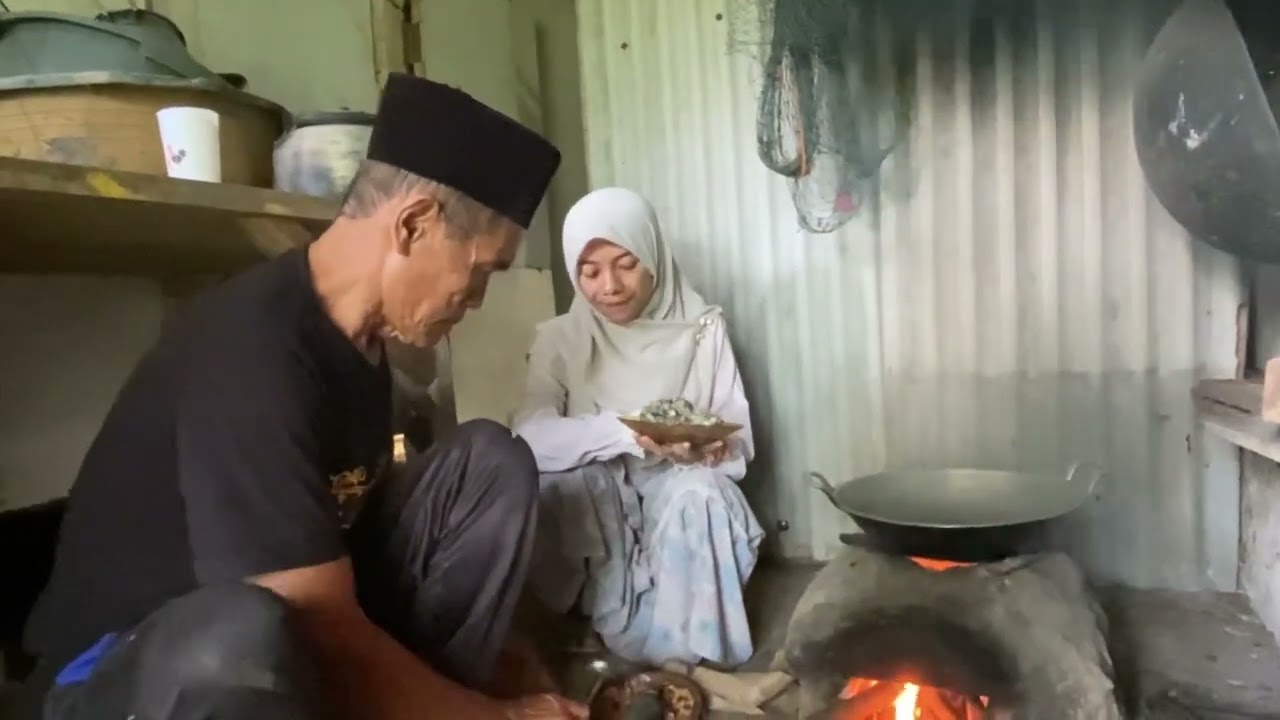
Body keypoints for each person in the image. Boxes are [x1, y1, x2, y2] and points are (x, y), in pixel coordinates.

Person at [17, 73, 587, 720]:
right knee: (241, 630)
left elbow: (339, 563)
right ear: (414, 225)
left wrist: (509, 665)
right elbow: (317, 621)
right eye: (481, 270)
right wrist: (498, 718)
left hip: (282, 652)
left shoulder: (360, 350)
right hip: (124, 673)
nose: (477, 298)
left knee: (489, 464)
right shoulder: (250, 345)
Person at [513, 188, 765, 668]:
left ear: (654, 257)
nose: (609, 285)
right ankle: (598, 617)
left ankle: (689, 653)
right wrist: (624, 433)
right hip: (604, 492)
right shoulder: (561, 339)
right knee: (568, 482)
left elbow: (738, 435)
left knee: (705, 496)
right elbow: (529, 436)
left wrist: (705, 451)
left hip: (675, 484)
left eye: (626, 264)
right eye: (590, 272)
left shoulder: (703, 330)